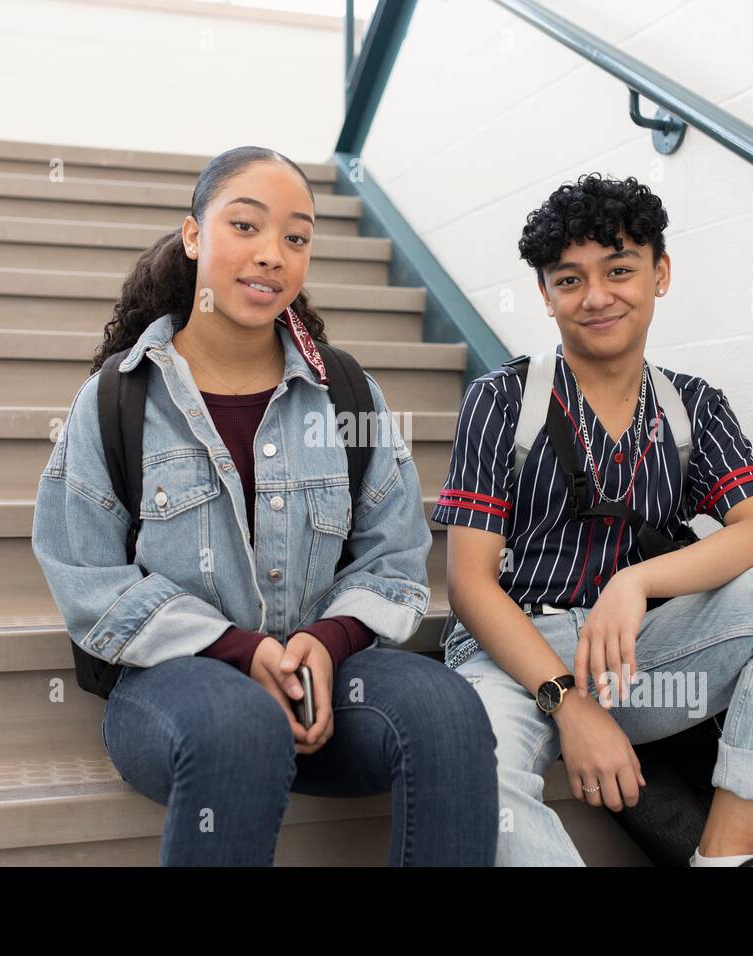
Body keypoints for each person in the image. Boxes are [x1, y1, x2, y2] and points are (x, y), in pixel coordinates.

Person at [31, 145, 498, 866]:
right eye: (245, 227)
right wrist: (242, 653)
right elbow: (87, 580)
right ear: (194, 235)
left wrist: (329, 641)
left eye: (297, 236)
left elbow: (395, 556)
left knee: (448, 709)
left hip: (326, 690)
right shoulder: (118, 401)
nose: (272, 254)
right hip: (178, 699)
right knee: (240, 721)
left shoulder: (347, 393)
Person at [435, 173, 753, 867]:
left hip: (639, 652)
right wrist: (568, 704)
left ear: (659, 274)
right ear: (546, 295)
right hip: (515, 655)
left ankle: (724, 859)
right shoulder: (502, 399)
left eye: (620, 270)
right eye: (569, 280)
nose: (597, 296)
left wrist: (632, 586)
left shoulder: (692, 404)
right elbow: (469, 585)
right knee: (469, 775)